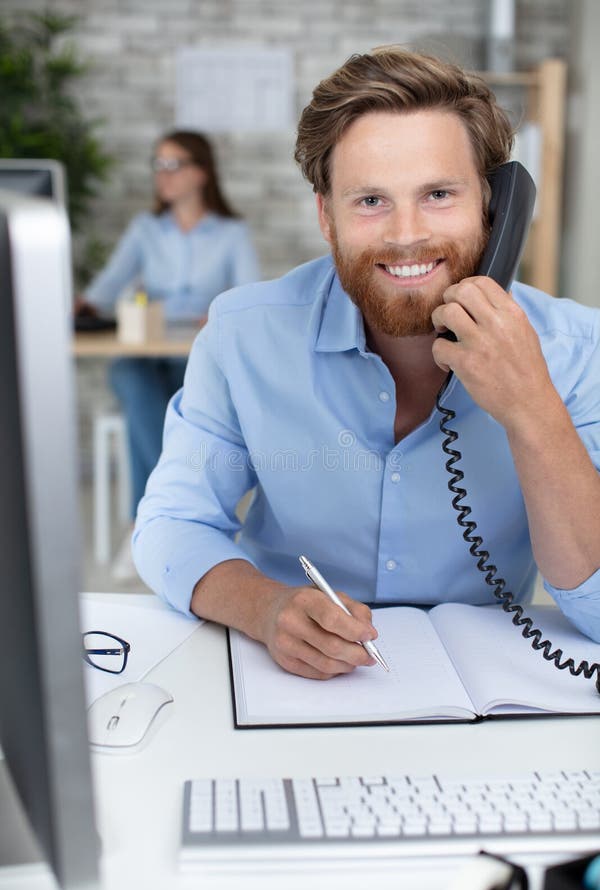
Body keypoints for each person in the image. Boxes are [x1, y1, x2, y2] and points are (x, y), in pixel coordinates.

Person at [133, 47, 600, 679]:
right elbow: (171, 524)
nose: (406, 234)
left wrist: (530, 407)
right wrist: (265, 608)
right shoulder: (242, 335)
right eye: (370, 201)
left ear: (494, 209)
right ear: (327, 216)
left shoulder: (577, 350)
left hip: (484, 697)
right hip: (287, 682)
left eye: (438, 193)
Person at [77, 130, 260, 579]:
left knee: (180, 397)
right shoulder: (145, 230)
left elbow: (248, 296)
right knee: (131, 378)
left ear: (201, 172)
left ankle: (152, 521)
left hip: (196, 355)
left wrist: (217, 313)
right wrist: (78, 306)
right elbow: (106, 286)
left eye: (172, 164)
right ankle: (154, 518)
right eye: (157, 165)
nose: (162, 175)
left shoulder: (231, 234)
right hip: (147, 350)